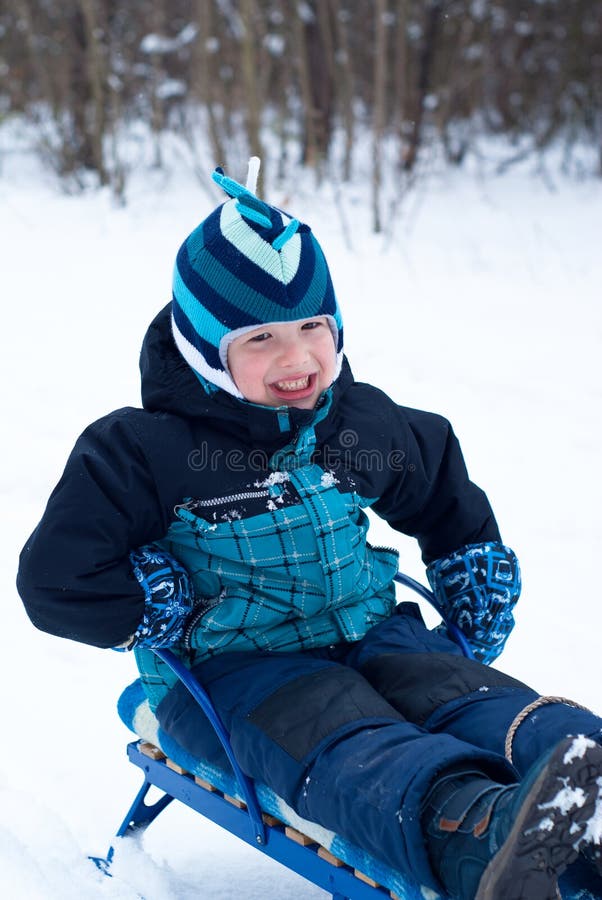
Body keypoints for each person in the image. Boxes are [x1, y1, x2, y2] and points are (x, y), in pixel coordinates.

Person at [17, 163, 602, 900]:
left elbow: (435, 478)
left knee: (473, 697)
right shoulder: (145, 451)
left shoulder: (356, 422)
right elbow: (55, 579)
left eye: (312, 328)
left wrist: (471, 562)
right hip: (235, 674)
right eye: (259, 337)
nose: (296, 359)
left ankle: (582, 779)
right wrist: (153, 602)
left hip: (377, 633)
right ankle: (473, 831)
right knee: (353, 746)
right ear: (205, 350)